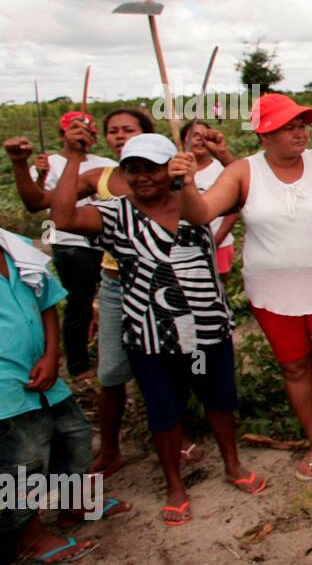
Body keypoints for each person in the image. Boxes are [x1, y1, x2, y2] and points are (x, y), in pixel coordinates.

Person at [52, 131, 264, 525]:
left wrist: (201, 165)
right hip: (151, 332)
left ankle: (232, 465)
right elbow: (62, 218)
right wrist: (72, 158)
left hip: (206, 328)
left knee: (218, 399)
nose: (141, 177)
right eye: (132, 169)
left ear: (172, 168)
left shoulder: (194, 201)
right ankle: (174, 485)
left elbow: (238, 195)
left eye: (151, 167)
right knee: (164, 410)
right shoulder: (114, 213)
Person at [178, 93, 312, 482]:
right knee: (295, 368)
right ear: (263, 135)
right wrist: (187, 184)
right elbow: (200, 214)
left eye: (301, 125)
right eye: (287, 127)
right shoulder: (243, 172)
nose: (298, 132)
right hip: (272, 292)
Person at [5, 109, 167, 478]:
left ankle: (174, 438)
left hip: (163, 283)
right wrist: (34, 163)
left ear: (147, 136)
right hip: (116, 281)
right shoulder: (102, 174)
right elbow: (40, 206)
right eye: (112, 131)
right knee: (111, 372)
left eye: (129, 129)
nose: (119, 136)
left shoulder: (165, 174)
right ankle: (110, 449)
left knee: (165, 365)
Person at [0, 226, 130, 565]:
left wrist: (51, 355)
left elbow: (46, 305)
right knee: (19, 462)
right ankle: (27, 534)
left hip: (41, 372)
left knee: (72, 434)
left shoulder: (17, 251)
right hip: (5, 387)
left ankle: (73, 503)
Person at [6, 112, 115, 386]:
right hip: (68, 243)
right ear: (61, 135)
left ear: (95, 137)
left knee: (103, 301)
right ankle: (78, 365)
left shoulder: (107, 164)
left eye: (88, 130)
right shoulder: (50, 162)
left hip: (106, 244)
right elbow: (36, 201)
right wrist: (37, 174)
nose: (83, 135)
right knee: (78, 303)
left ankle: (109, 357)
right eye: (75, 129)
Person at [179, 120, 238, 276]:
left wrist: (216, 240)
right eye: (193, 135)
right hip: (186, 246)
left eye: (204, 136)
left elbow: (233, 211)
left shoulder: (222, 169)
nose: (199, 139)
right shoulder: (178, 170)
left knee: (219, 286)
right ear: (183, 141)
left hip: (219, 242)